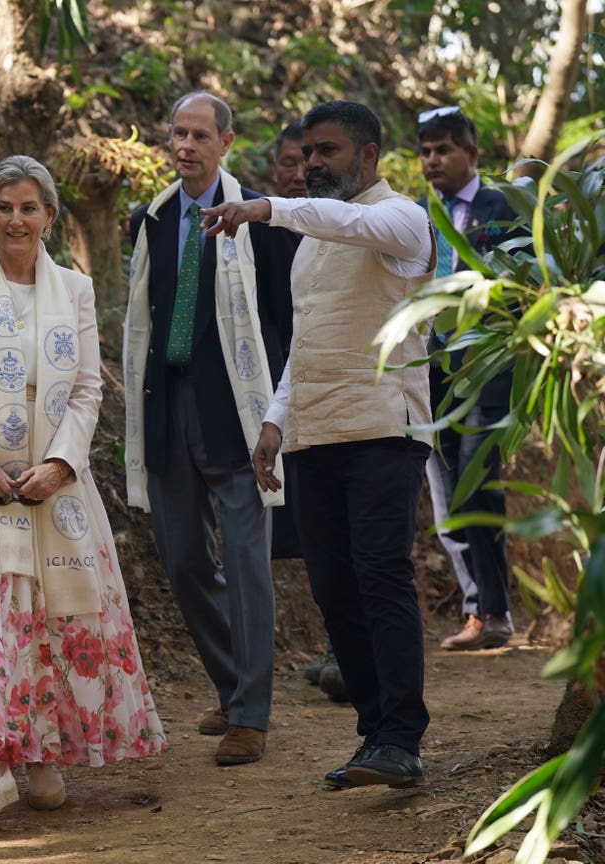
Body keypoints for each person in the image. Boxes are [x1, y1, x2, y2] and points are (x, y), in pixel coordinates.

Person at [0, 155, 167, 823]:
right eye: (4, 207)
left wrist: (61, 463)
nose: (16, 219)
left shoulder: (74, 292)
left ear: (50, 216)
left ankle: (41, 753)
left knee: (53, 616)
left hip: (53, 484)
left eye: (29, 207)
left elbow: (87, 387)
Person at [203, 100, 436, 789]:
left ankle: (402, 737)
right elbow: (306, 345)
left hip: (383, 431)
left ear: (368, 155)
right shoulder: (311, 244)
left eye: (327, 152)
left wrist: (267, 207)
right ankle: (376, 738)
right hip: (314, 435)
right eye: (307, 154)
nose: (312, 166)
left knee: (382, 579)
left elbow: (352, 222)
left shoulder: (402, 219)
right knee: (336, 593)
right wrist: (276, 420)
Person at [123, 92, 296, 766]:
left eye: (200, 135)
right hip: (169, 411)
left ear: (226, 142)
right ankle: (231, 685)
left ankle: (250, 715)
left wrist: (277, 414)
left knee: (249, 562)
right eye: (178, 134)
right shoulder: (154, 220)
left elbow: (283, 324)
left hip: (239, 415)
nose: (185, 146)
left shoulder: (261, 220)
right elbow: (144, 318)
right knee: (185, 560)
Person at [416, 105, 519, 651]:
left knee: (479, 481)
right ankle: (478, 606)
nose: (433, 160)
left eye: (444, 149)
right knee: (446, 491)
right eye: (426, 151)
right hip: (428, 370)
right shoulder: (416, 213)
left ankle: (495, 612)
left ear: (472, 154)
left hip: (486, 367)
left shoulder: (503, 208)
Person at [270, 121, 347, 701]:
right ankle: (338, 642)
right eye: (291, 163)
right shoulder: (261, 229)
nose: (301, 174)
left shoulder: (351, 227)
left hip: (341, 400)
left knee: (351, 532)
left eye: (312, 161)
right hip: (277, 395)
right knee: (308, 537)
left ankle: (344, 649)